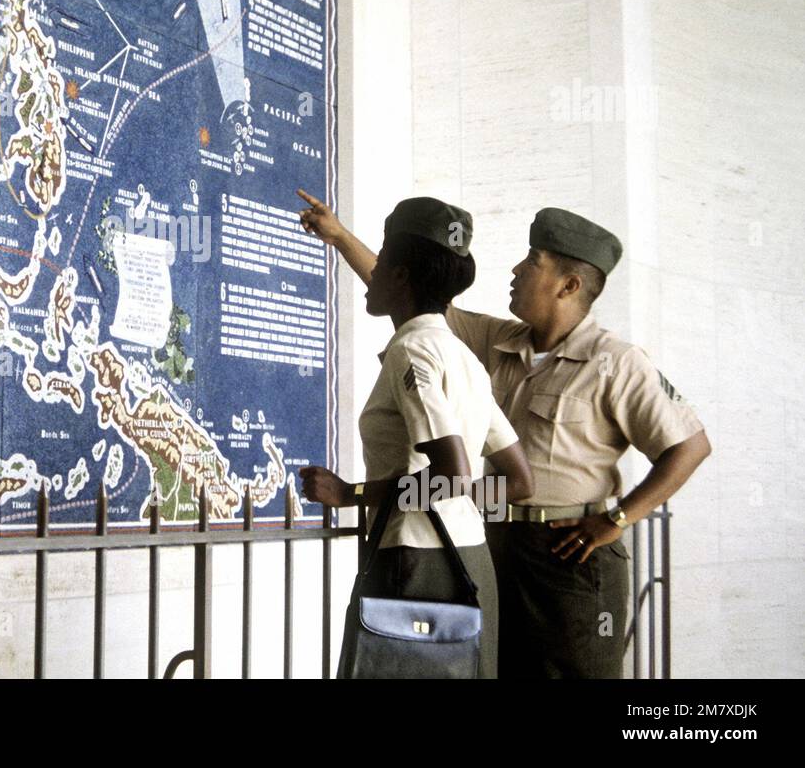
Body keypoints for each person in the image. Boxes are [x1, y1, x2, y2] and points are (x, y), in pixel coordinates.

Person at [298, 190, 712, 678]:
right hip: (493, 544)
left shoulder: (617, 362)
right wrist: (340, 237)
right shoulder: (497, 342)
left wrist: (618, 519)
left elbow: (690, 445)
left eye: (532, 262)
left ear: (568, 284)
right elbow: (413, 290)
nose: (516, 271)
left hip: (568, 555)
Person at [299, 196, 534, 679]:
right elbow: (519, 481)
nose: (375, 271)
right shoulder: (464, 357)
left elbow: (450, 473)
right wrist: (460, 502)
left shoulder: (412, 351)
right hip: (470, 561)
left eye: (382, 261)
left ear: (401, 276)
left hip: (418, 563)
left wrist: (351, 495)